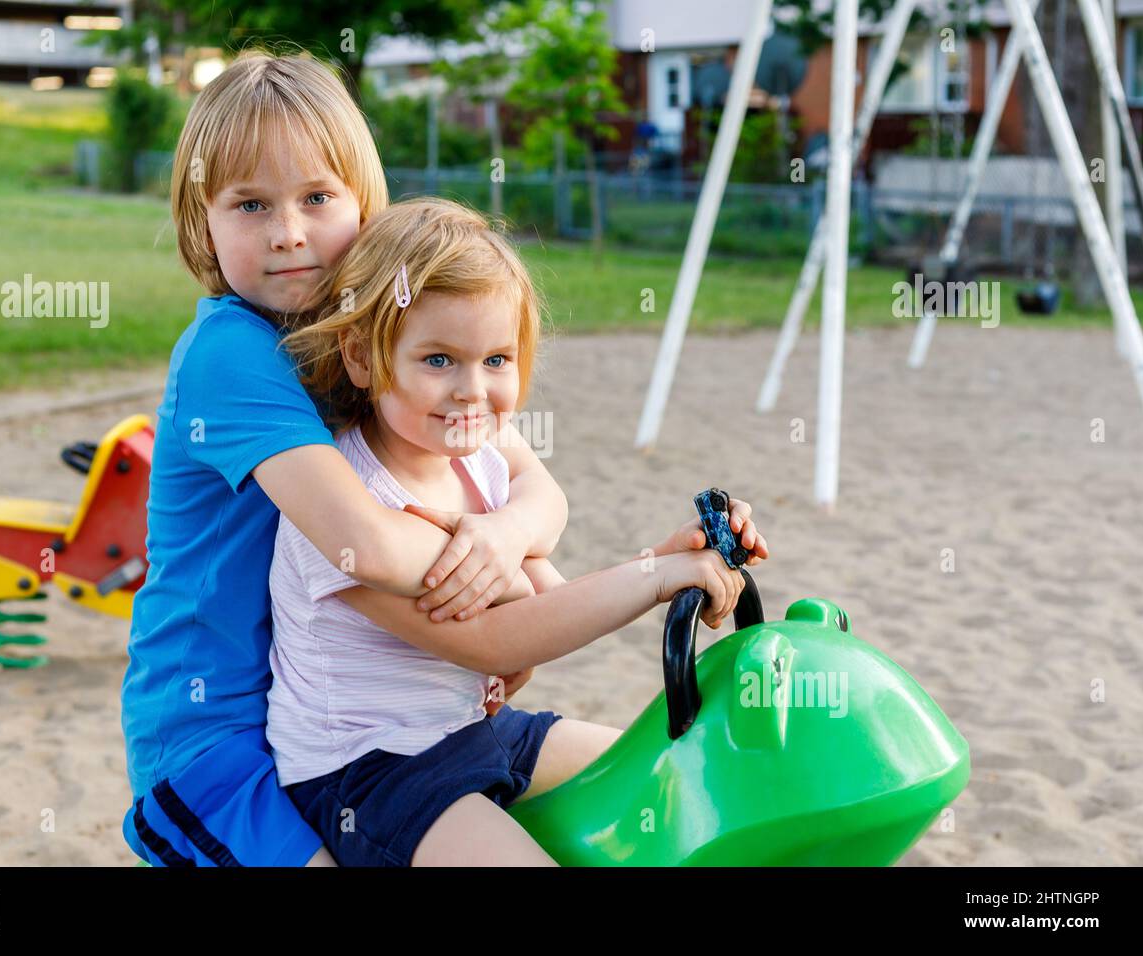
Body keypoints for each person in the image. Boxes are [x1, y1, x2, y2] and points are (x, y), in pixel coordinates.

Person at [120, 51, 577, 868]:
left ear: (366, 203)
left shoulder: (368, 341)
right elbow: (364, 547)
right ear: (203, 223)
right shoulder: (230, 354)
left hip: (351, 718)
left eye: (318, 197)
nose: (288, 231)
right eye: (250, 204)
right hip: (216, 743)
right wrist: (508, 585)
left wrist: (506, 538)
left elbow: (536, 482)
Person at [274, 198, 768, 866]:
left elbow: (546, 502)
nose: (473, 391)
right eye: (439, 360)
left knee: (676, 775)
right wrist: (654, 577)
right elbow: (493, 641)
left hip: (479, 731)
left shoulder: (478, 443)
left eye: (498, 360)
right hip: (371, 771)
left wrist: (675, 551)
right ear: (361, 356)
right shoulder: (346, 504)